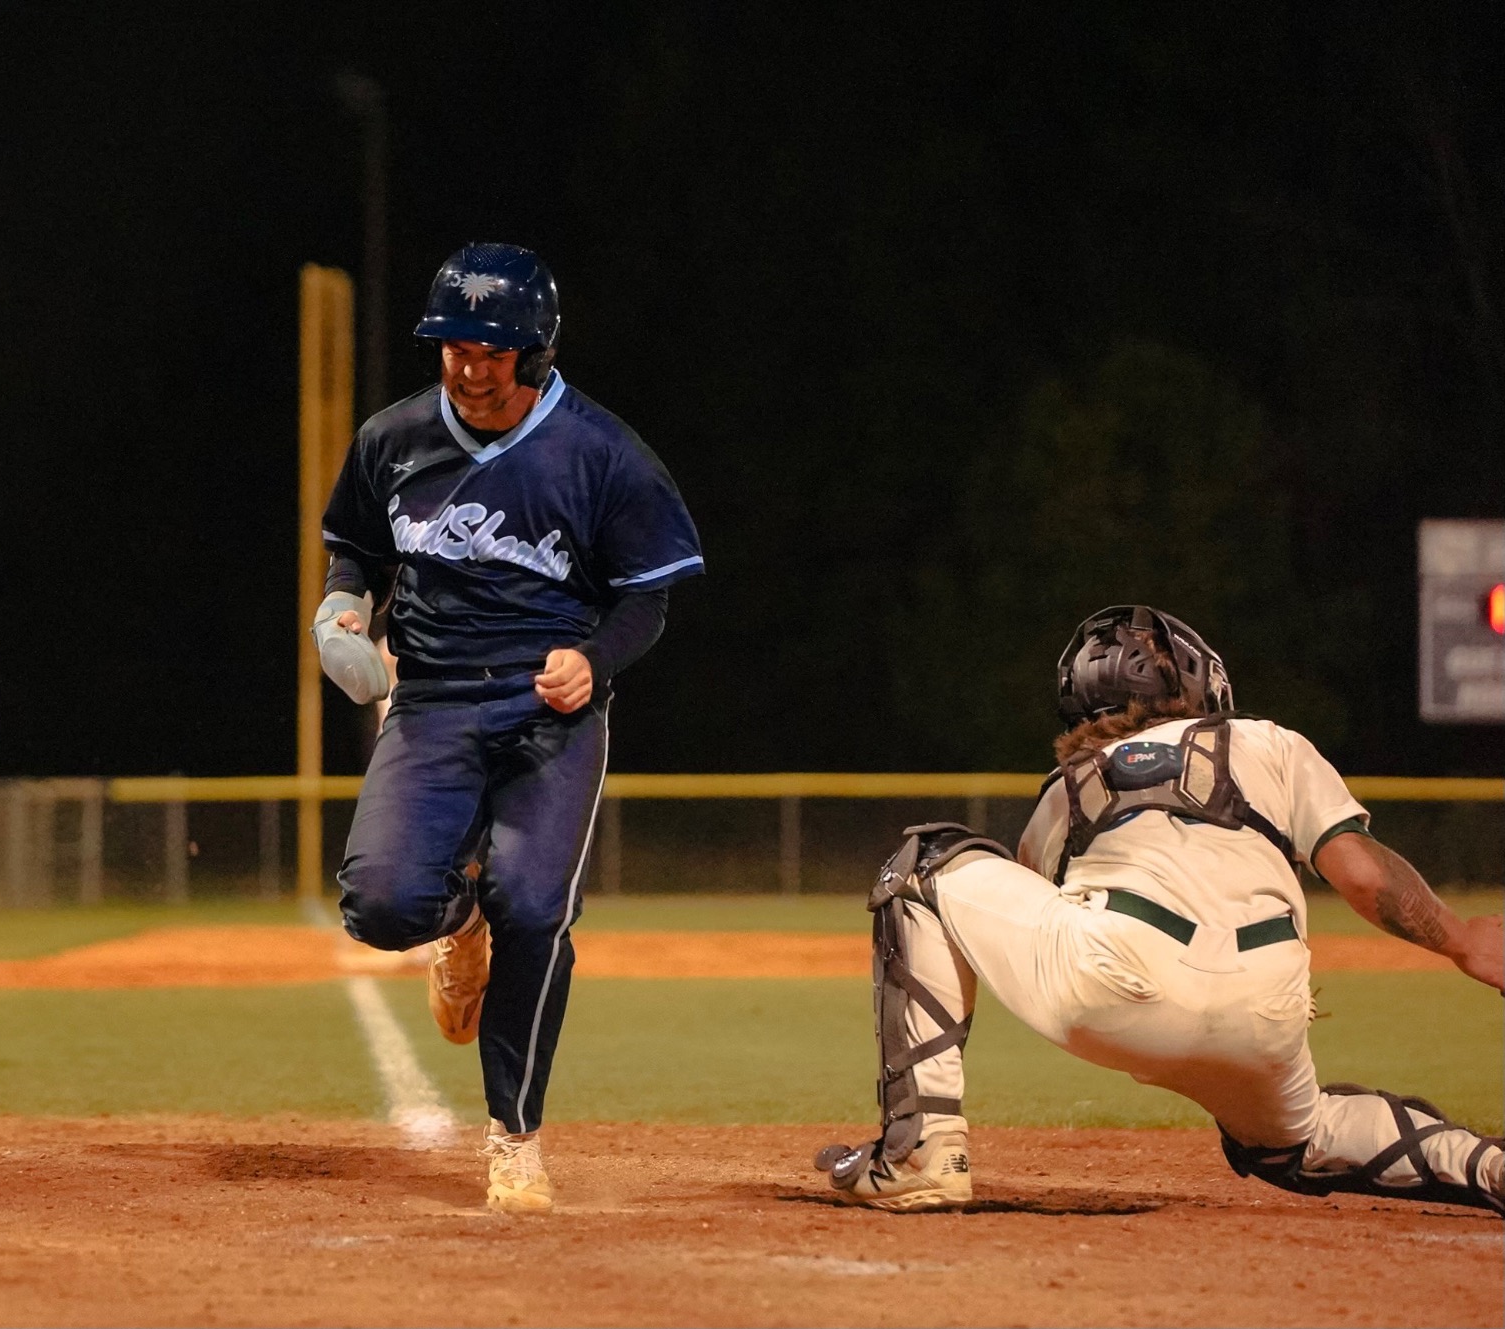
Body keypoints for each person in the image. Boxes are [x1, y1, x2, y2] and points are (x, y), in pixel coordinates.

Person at [818, 604, 1503, 1214]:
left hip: (1114, 987)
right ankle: (1488, 1166)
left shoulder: (1067, 786)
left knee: (923, 863)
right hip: (1269, 1013)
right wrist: (1462, 942)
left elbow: (1024, 906)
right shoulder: (1270, 742)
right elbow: (1361, 873)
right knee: (1297, 1138)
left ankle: (919, 1148)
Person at [312, 243, 703, 1213]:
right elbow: (355, 547)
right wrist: (342, 607)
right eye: (455, 346)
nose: (470, 367)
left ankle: (514, 1139)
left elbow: (647, 597)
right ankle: (461, 921)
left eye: (491, 350)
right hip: (432, 699)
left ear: (535, 350)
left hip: (548, 710)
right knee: (382, 904)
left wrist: (596, 657)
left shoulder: (601, 453)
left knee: (534, 904)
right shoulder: (394, 437)